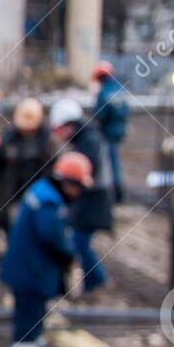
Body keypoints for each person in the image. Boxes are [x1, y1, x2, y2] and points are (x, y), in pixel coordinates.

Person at [0, 151, 92, 347]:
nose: (79, 193)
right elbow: (52, 236)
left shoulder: (42, 191)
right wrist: (70, 256)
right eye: (78, 187)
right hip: (31, 274)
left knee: (35, 321)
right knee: (28, 324)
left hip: (28, 271)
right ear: (68, 182)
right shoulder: (49, 202)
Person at [48, 97, 112, 294]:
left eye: (61, 129)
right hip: (90, 197)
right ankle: (95, 281)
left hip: (95, 198)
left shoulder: (89, 140)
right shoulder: (85, 137)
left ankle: (97, 281)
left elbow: (86, 173)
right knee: (78, 240)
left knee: (79, 241)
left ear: (70, 124)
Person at [0, 98, 51, 254]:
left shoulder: (46, 139)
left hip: (36, 185)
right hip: (11, 184)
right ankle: (2, 243)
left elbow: (50, 165)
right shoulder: (9, 138)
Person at [92, 61, 129, 204]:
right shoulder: (119, 89)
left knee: (110, 163)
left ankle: (115, 192)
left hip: (107, 132)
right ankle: (118, 191)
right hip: (118, 130)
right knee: (114, 160)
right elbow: (125, 110)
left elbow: (100, 114)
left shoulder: (104, 92)